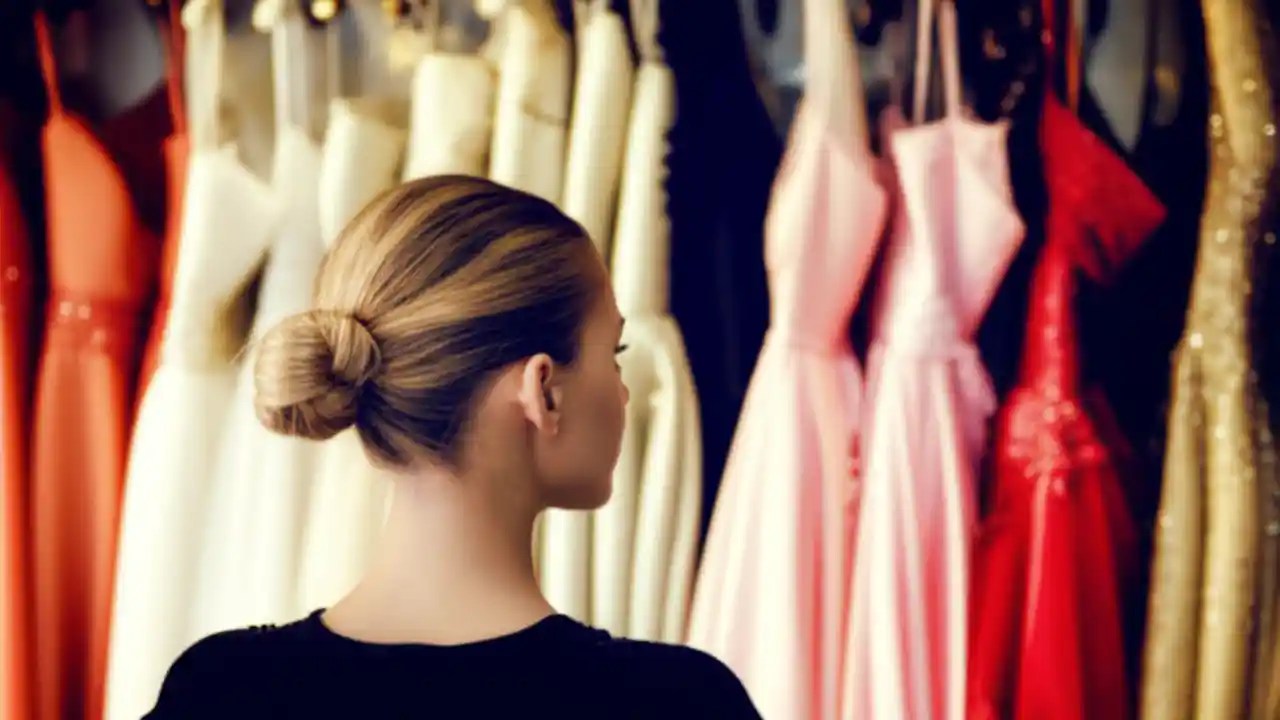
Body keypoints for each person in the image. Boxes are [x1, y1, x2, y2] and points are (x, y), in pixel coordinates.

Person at [145, 175, 760, 718]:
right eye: (613, 354)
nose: (624, 395)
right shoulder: (675, 702)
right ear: (542, 391)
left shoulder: (219, 691)